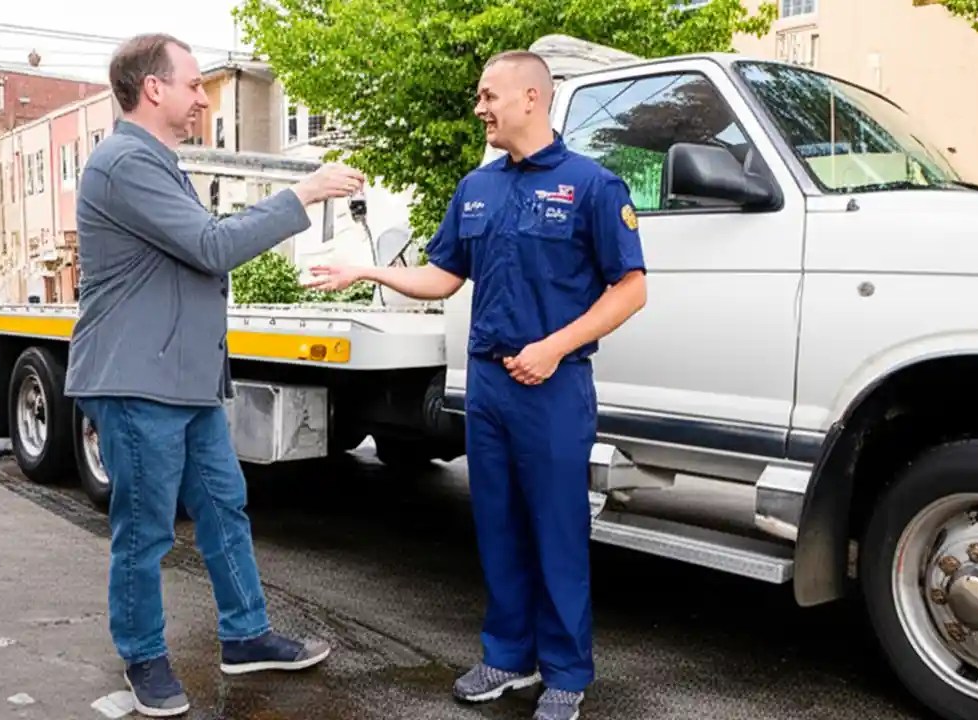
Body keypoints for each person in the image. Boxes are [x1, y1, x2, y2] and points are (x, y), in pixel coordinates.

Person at [305, 49, 647, 720]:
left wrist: (553, 348)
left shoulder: (593, 186)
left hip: (552, 386)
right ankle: (507, 656)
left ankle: (568, 674)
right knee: (496, 525)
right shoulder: (477, 188)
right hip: (489, 386)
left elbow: (631, 288)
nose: (480, 107)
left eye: (489, 95)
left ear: (531, 98)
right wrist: (366, 275)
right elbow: (442, 277)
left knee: (556, 529)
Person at [65, 33, 366, 718]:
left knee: (224, 506)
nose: (203, 98)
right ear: (154, 89)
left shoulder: (156, 163)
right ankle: (144, 656)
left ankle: (246, 635)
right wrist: (303, 192)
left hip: (187, 381)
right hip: (140, 381)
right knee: (145, 529)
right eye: (194, 85)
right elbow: (210, 246)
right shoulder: (123, 163)